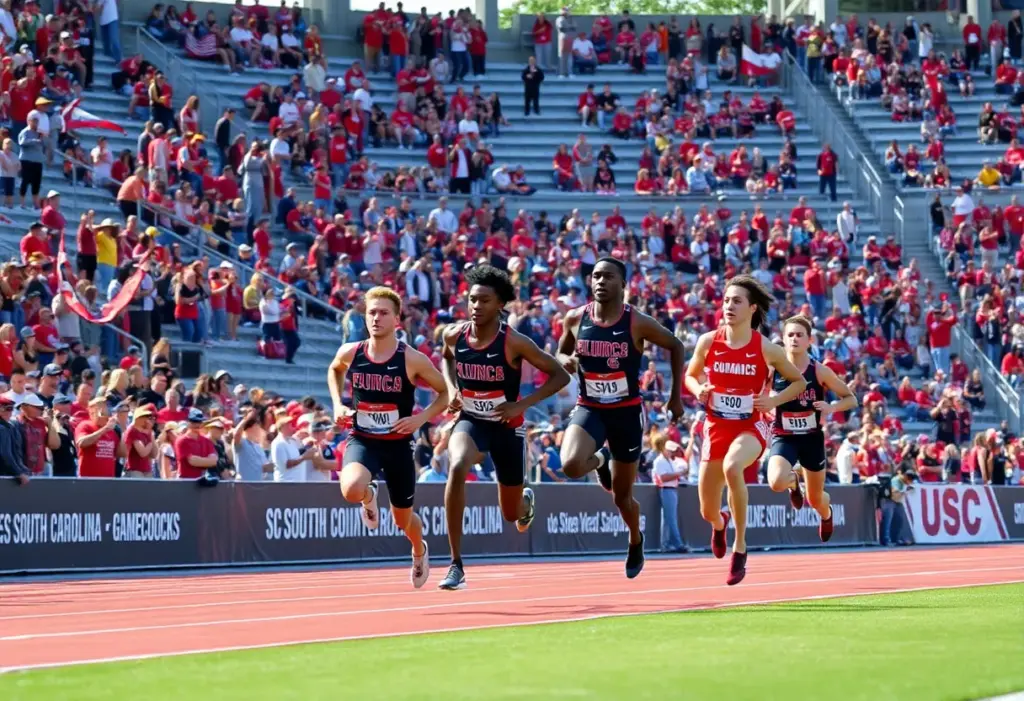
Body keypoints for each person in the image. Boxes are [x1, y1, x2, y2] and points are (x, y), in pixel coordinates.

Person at [438, 265, 570, 590]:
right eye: (472, 300)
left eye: (484, 301)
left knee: (511, 515)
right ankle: (456, 564)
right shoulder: (454, 335)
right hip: (471, 422)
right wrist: (452, 387)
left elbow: (560, 376)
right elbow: (446, 357)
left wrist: (521, 405)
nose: (476, 307)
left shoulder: (515, 342)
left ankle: (525, 501)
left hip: (508, 428)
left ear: (500, 305)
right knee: (456, 466)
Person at [556, 257, 685, 578]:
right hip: (590, 408)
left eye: (608, 277)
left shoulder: (636, 322)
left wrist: (675, 396)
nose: (600, 281)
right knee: (571, 465)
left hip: (626, 414)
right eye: (596, 276)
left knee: (623, 498)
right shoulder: (575, 318)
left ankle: (635, 538)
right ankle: (600, 460)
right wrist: (566, 359)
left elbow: (676, 345)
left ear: (623, 284)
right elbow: (559, 351)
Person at [684, 275, 807, 586]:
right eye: (726, 300)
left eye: (736, 301)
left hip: (752, 425)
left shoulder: (767, 349)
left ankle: (740, 546)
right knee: (707, 510)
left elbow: (799, 382)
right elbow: (690, 375)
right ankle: (720, 522)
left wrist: (773, 400)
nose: (729, 306)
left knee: (733, 466)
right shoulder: (708, 341)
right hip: (716, 426)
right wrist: (698, 389)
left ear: (752, 308)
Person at [328, 286, 449, 589]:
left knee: (402, 521)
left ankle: (419, 550)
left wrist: (421, 418)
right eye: (371, 312)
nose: (376, 318)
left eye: (383, 313)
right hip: (363, 438)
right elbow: (334, 369)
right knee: (351, 489)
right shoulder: (351, 352)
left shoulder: (412, 359)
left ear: (397, 319)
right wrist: (337, 404)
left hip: (398, 445)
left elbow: (447, 392)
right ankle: (369, 496)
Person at [765, 315, 857, 542]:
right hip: (784, 437)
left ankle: (827, 515)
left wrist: (831, 406)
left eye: (799, 335)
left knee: (816, 500)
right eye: (790, 335)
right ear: (783, 340)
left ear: (809, 341)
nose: (794, 339)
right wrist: (768, 406)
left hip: (811, 439)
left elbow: (851, 399)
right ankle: (793, 482)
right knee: (776, 482)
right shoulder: (772, 370)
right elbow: (759, 396)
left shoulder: (819, 371)